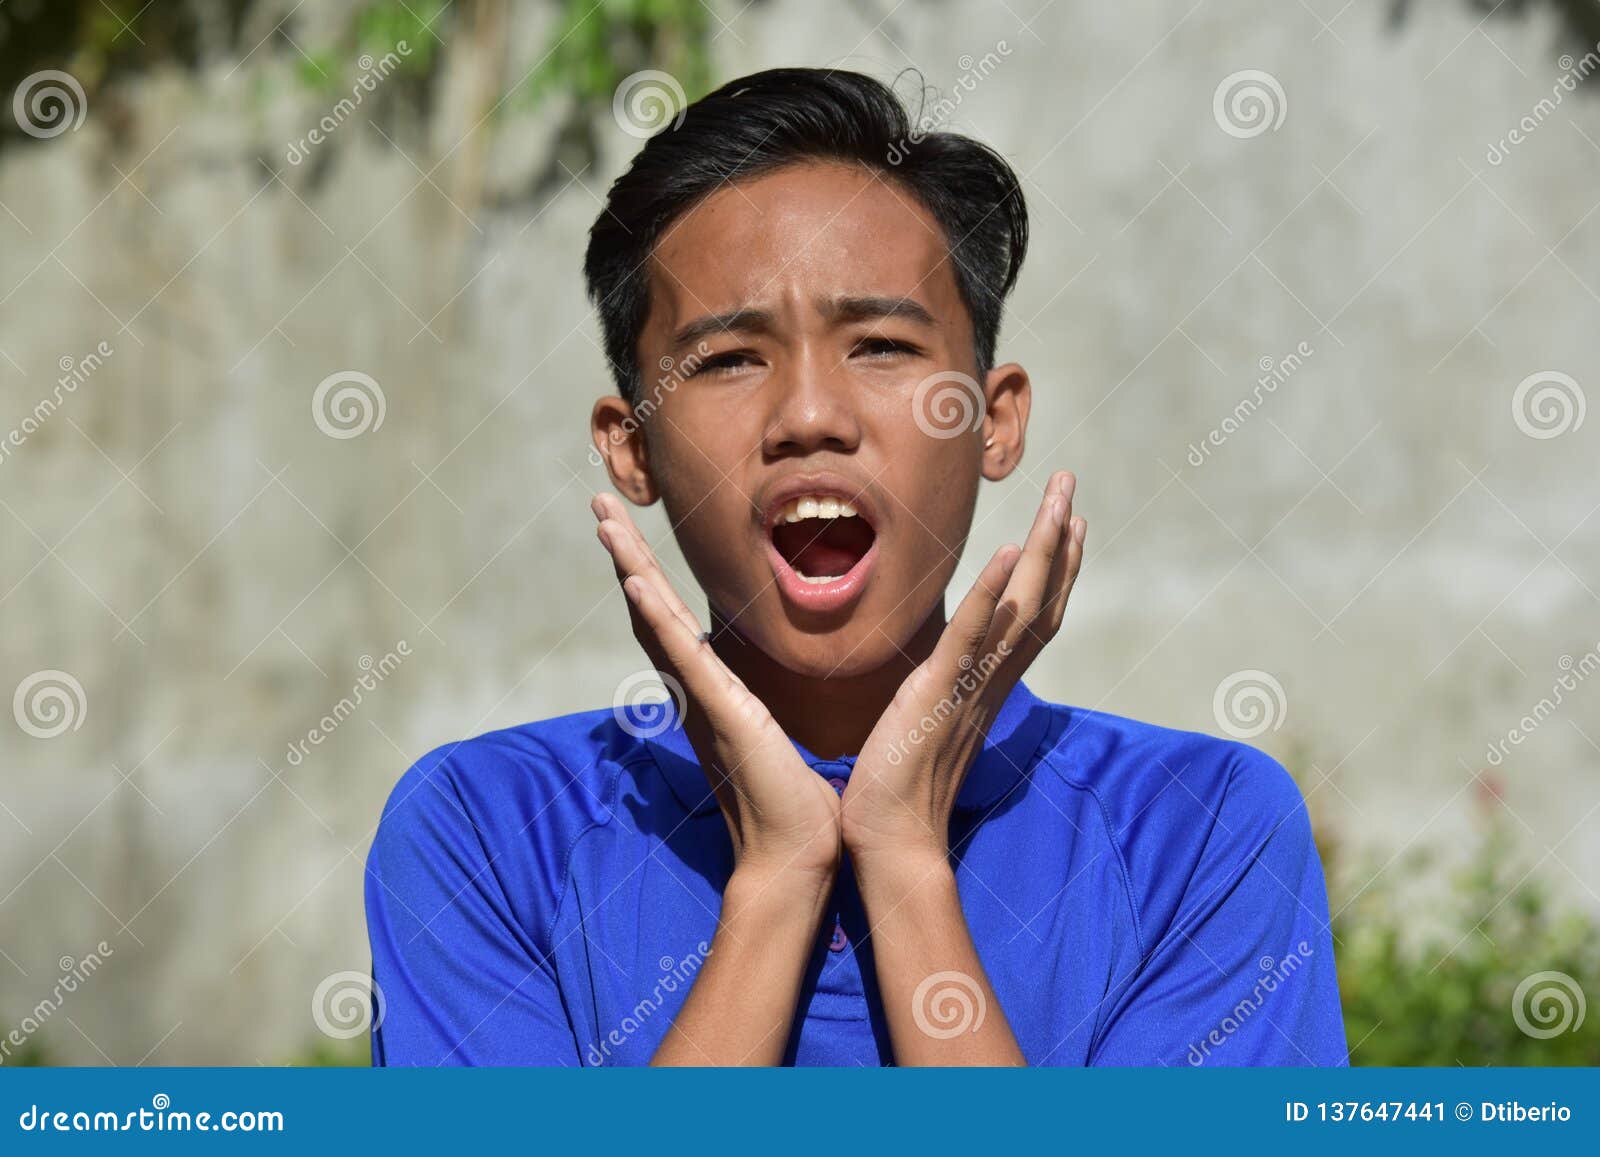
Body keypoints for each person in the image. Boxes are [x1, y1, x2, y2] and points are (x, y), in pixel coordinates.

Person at [364, 67, 1346, 1066]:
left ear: (991, 419)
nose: (809, 417)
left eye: (879, 344)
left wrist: (906, 855)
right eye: (728, 359)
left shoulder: (1199, 831)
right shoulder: (486, 831)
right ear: (633, 449)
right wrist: (778, 873)